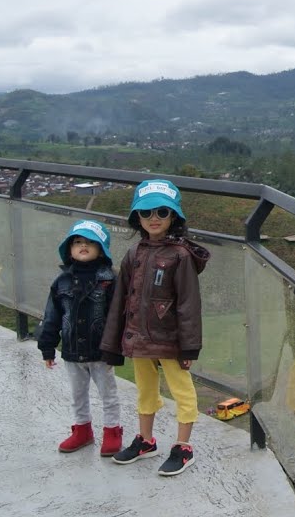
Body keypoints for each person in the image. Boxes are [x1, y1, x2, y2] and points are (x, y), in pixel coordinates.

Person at [101, 179, 210, 477]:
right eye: (146, 212)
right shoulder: (134, 253)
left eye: (162, 212)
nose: (153, 219)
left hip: (172, 340)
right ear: (137, 217)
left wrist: (190, 346)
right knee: (145, 389)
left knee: (182, 391)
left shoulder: (181, 255)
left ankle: (183, 446)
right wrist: (113, 343)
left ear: (174, 217)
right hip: (139, 338)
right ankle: (146, 440)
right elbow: (120, 301)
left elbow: (189, 304)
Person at [37, 219, 123, 457]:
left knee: (109, 394)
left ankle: (112, 432)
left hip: (101, 350)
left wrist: (117, 347)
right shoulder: (61, 282)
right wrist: (47, 347)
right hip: (72, 350)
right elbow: (52, 316)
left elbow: (118, 316)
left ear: (101, 249)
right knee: (77, 394)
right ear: (69, 249)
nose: (82, 246)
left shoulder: (110, 280)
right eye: (77, 242)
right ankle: (82, 430)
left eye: (89, 242)